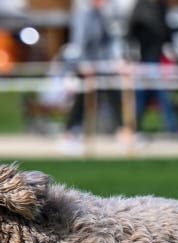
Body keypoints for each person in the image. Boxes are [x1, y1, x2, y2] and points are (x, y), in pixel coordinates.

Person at [60, 0, 123, 152]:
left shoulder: (101, 15)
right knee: (82, 101)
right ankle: (69, 134)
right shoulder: (83, 15)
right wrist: (83, 63)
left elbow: (106, 42)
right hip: (84, 66)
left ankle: (122, 131)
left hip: (99, 65)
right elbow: (79, 41)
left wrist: (112, 61)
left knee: (111, 95)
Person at [127, 0, 178, 133]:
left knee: (161, 92)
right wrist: (133, 51)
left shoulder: (162, 6)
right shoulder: (141, 6)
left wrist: (170, 47)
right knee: (141, 94)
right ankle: (133, 127)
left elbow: (166, 30)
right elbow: (132, 31)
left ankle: (172, 126)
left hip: (158, 56)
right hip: (143, 57)